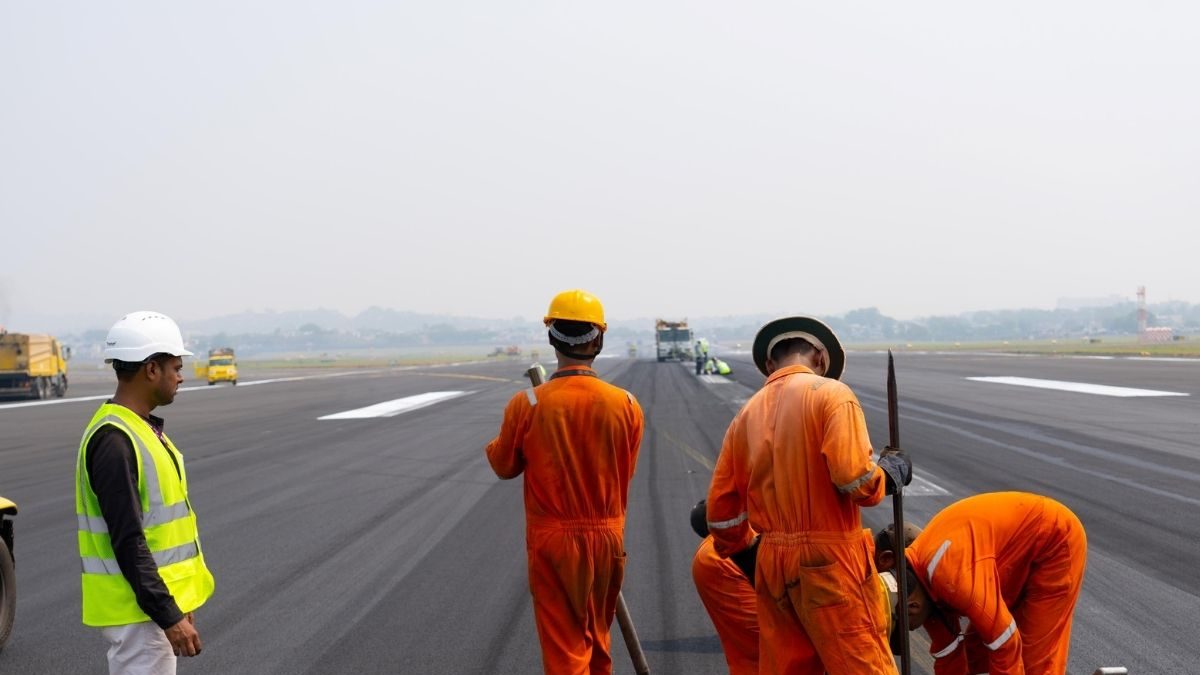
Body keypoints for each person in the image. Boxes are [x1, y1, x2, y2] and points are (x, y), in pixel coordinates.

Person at [706, 316, 912, 674]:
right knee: (861, 665)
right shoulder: (832, 394)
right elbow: (857, 480)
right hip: (831, 561)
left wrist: (750, 552)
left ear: (770, 364)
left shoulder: (745, 415)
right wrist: (889, 475)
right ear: (819, 356)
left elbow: (721, 515)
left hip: (772, 563)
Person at [486, 289, 645, 675]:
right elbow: (624, 468)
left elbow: (504, 465)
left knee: (566, 647)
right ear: (598, 339)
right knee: (599, 639)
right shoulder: (624, 403)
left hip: (554, 541)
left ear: (552, 338)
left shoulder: (528, 403)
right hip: (608, 537)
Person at [75, 311, 215, 674]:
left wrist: (175, 602)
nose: (181, 376)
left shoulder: (139, 430)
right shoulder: (116, 441)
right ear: (151, 369)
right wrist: (167, 614)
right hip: (139, 615)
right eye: (176, 366)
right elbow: (129, 540)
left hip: (148, 608)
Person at [690, 497, 920, 675]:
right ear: (887, 559)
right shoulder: (850, 567)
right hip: (726, 560)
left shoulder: (857, 553)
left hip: (740, 549)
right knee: (771, 649)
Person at [897, 492, 1087, 675]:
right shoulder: (917, 585)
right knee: (974, 656)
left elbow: (1005, 643)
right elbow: (949, 654)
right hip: (1013, 555)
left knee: (1034, 664)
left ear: (912, 607)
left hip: (1054, 540)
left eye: (910, 627)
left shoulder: (952, 579)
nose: (913, 629)